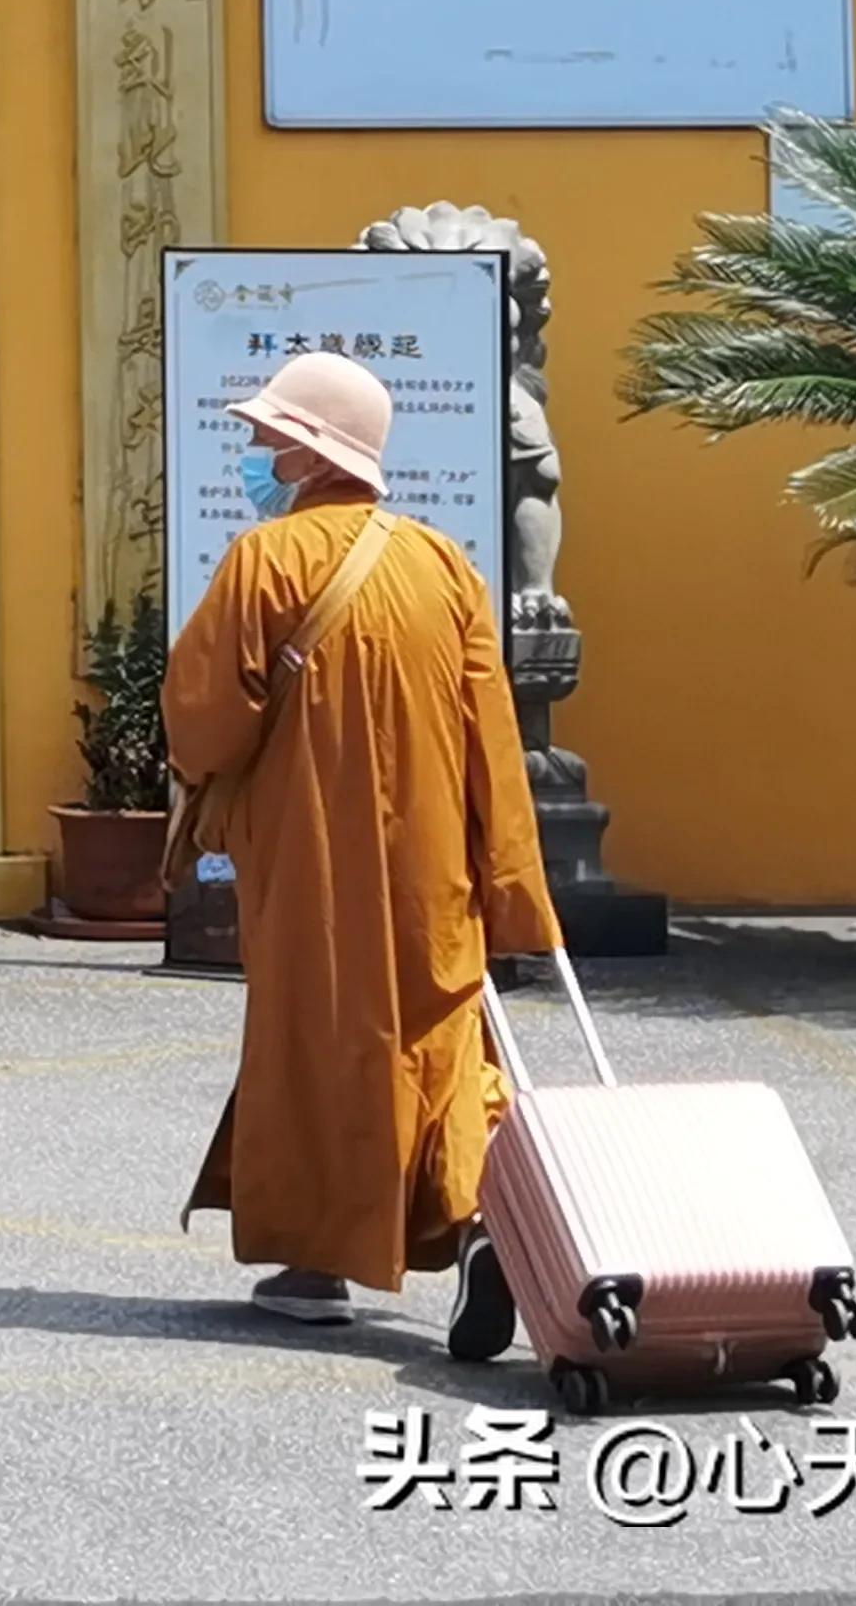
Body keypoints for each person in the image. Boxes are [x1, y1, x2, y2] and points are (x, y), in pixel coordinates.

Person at [165, 346, 557, 1346]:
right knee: (437, 1039)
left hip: (310, 861)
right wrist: (509, 884)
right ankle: (480, 1226)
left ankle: (316, 1267)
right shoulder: (444, 566)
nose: (254, 449)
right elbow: (493, 743)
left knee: (319, 1049)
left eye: (267, 435)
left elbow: (203, 720)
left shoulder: (266, 560)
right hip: (436, 867)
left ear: (305, 454)